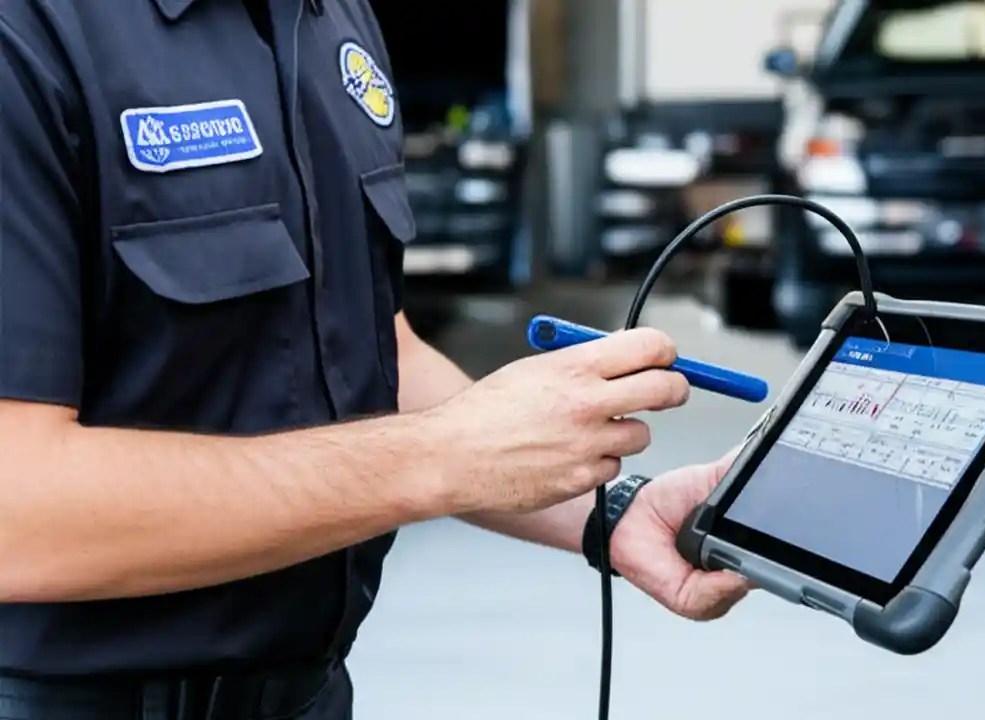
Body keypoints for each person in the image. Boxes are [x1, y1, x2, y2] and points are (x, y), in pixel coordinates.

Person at [0, 1, 749, 717]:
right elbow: (17, 513)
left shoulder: (330, 18)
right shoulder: (28, 34)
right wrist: (440, 456)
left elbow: (380, 357)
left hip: (310, 693)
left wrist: (613, 513)